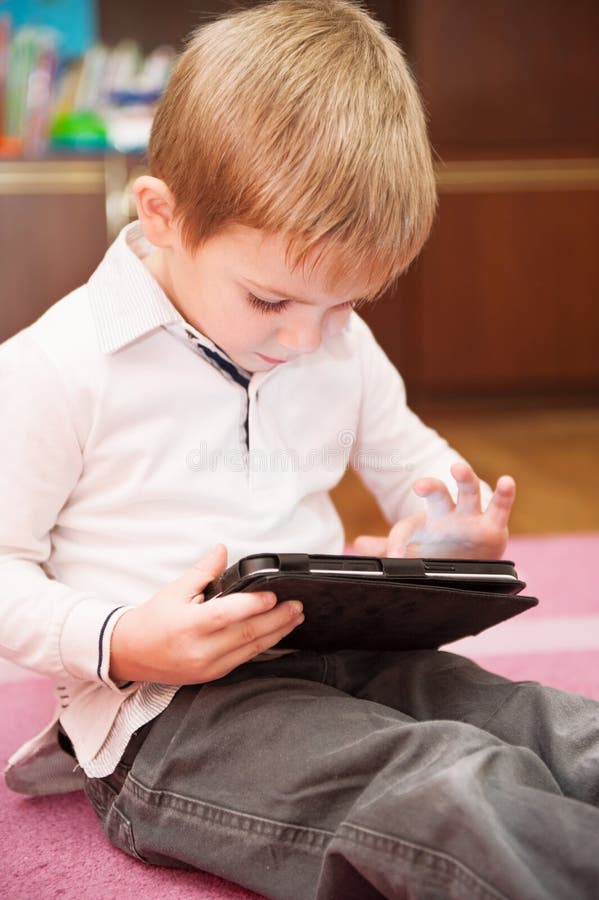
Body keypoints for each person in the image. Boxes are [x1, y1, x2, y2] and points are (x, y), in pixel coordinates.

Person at [1, 1, 598, 897]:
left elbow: (412, 465)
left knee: (553, 730)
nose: (307, 341)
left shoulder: (327, 337)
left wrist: (448, 544)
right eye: (271, 301)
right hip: (170, 719)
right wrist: (124, 640)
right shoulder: (55, 367)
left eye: (346, 305)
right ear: (160, 213)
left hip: (341, 648)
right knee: (445, 788)